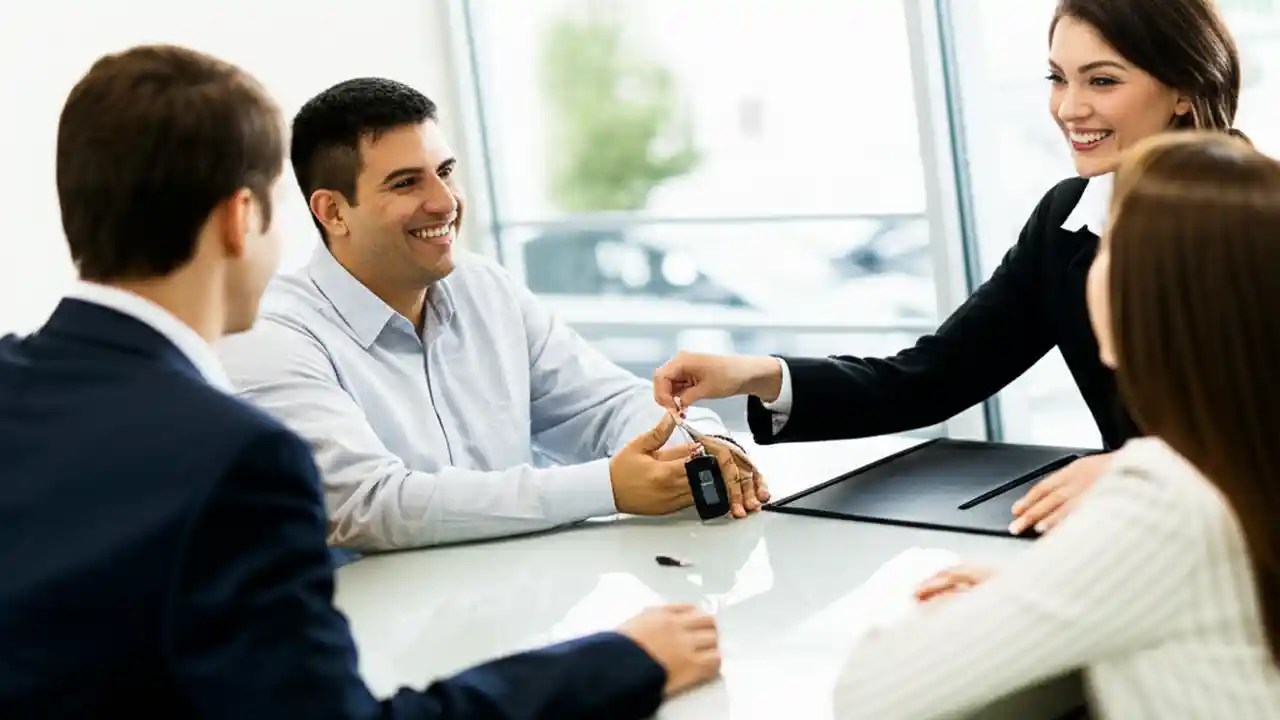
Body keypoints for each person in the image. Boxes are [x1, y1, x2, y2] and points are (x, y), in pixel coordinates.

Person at [0, 44, 720, 718]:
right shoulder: (239, 456)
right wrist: (622, 662)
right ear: (239, 220)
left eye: (445, 173)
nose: (442, 201)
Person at [652, 0, 1245, 535]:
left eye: (1103, 80)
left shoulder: (1256, 218)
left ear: (1184, 89)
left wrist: (1136, 471)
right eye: (1058, 79)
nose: (1069, 108)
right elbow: (939, 374)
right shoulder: (1067, 220)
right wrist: (760, 375)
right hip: (1140, 538)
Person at [831, 130, 1280, 718]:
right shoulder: (1246, 459)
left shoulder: (1165, 497)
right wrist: (1059, 593)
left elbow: (871, 693)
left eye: (1110, 242)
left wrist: (979, 615)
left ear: (1150, 292)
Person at [218, 77, 768, 551]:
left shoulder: (484, 287)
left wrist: (699, 447)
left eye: (446, 171)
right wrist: (608, 487)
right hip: (384, 637)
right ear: (333, 211)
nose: (445, 201)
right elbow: (368, 505)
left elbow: (606, 404)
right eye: (407, 182)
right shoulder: (272, 333)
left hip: (518, 603)